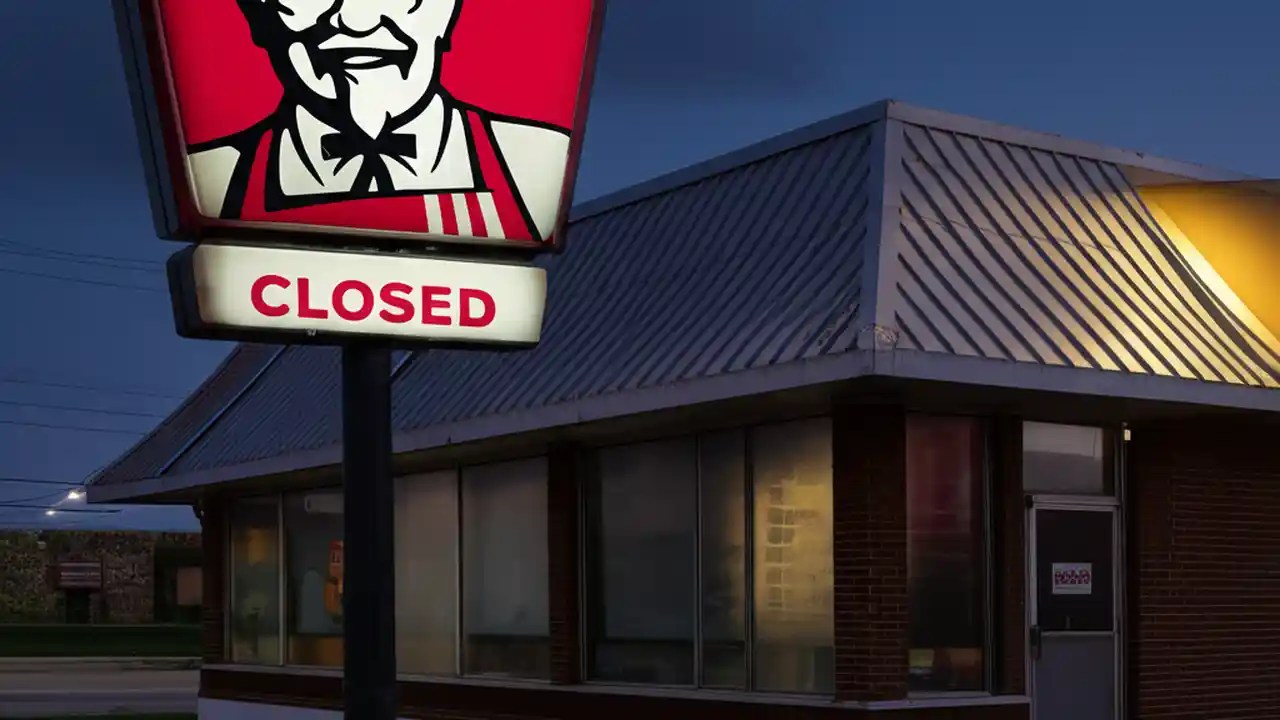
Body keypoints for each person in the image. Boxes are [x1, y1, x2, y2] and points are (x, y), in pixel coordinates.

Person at [188, 0, 572, 243]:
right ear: (258, 16)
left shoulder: (531, 161)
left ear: (448, 11)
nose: (357, 21)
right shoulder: (213, 178)